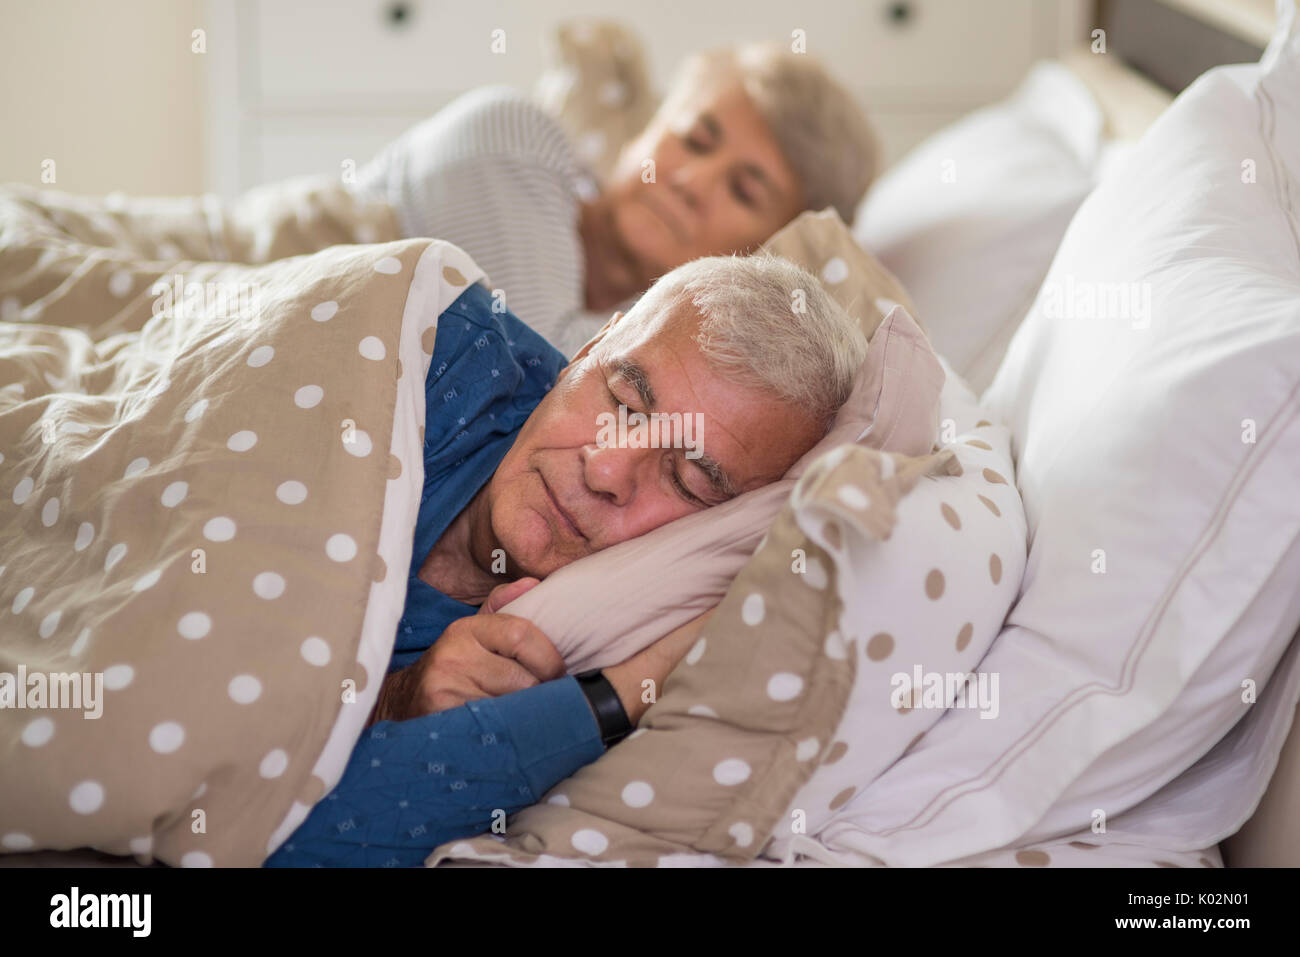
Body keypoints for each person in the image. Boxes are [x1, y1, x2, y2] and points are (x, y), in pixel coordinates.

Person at [264, 251, 866, 867]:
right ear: (589, 348)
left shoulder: (601, 663)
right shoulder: (435, 350)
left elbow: (261, 847)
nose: (607, 467)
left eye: (687, 479)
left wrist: (614, 695)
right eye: (625, 403)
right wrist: (390, 702)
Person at [349, 44, 878, 355]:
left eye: (743, 190)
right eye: (694, 138)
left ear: (772, 252)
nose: (691, 181)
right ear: (644, 131)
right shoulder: (511, 137)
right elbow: (531, 370)